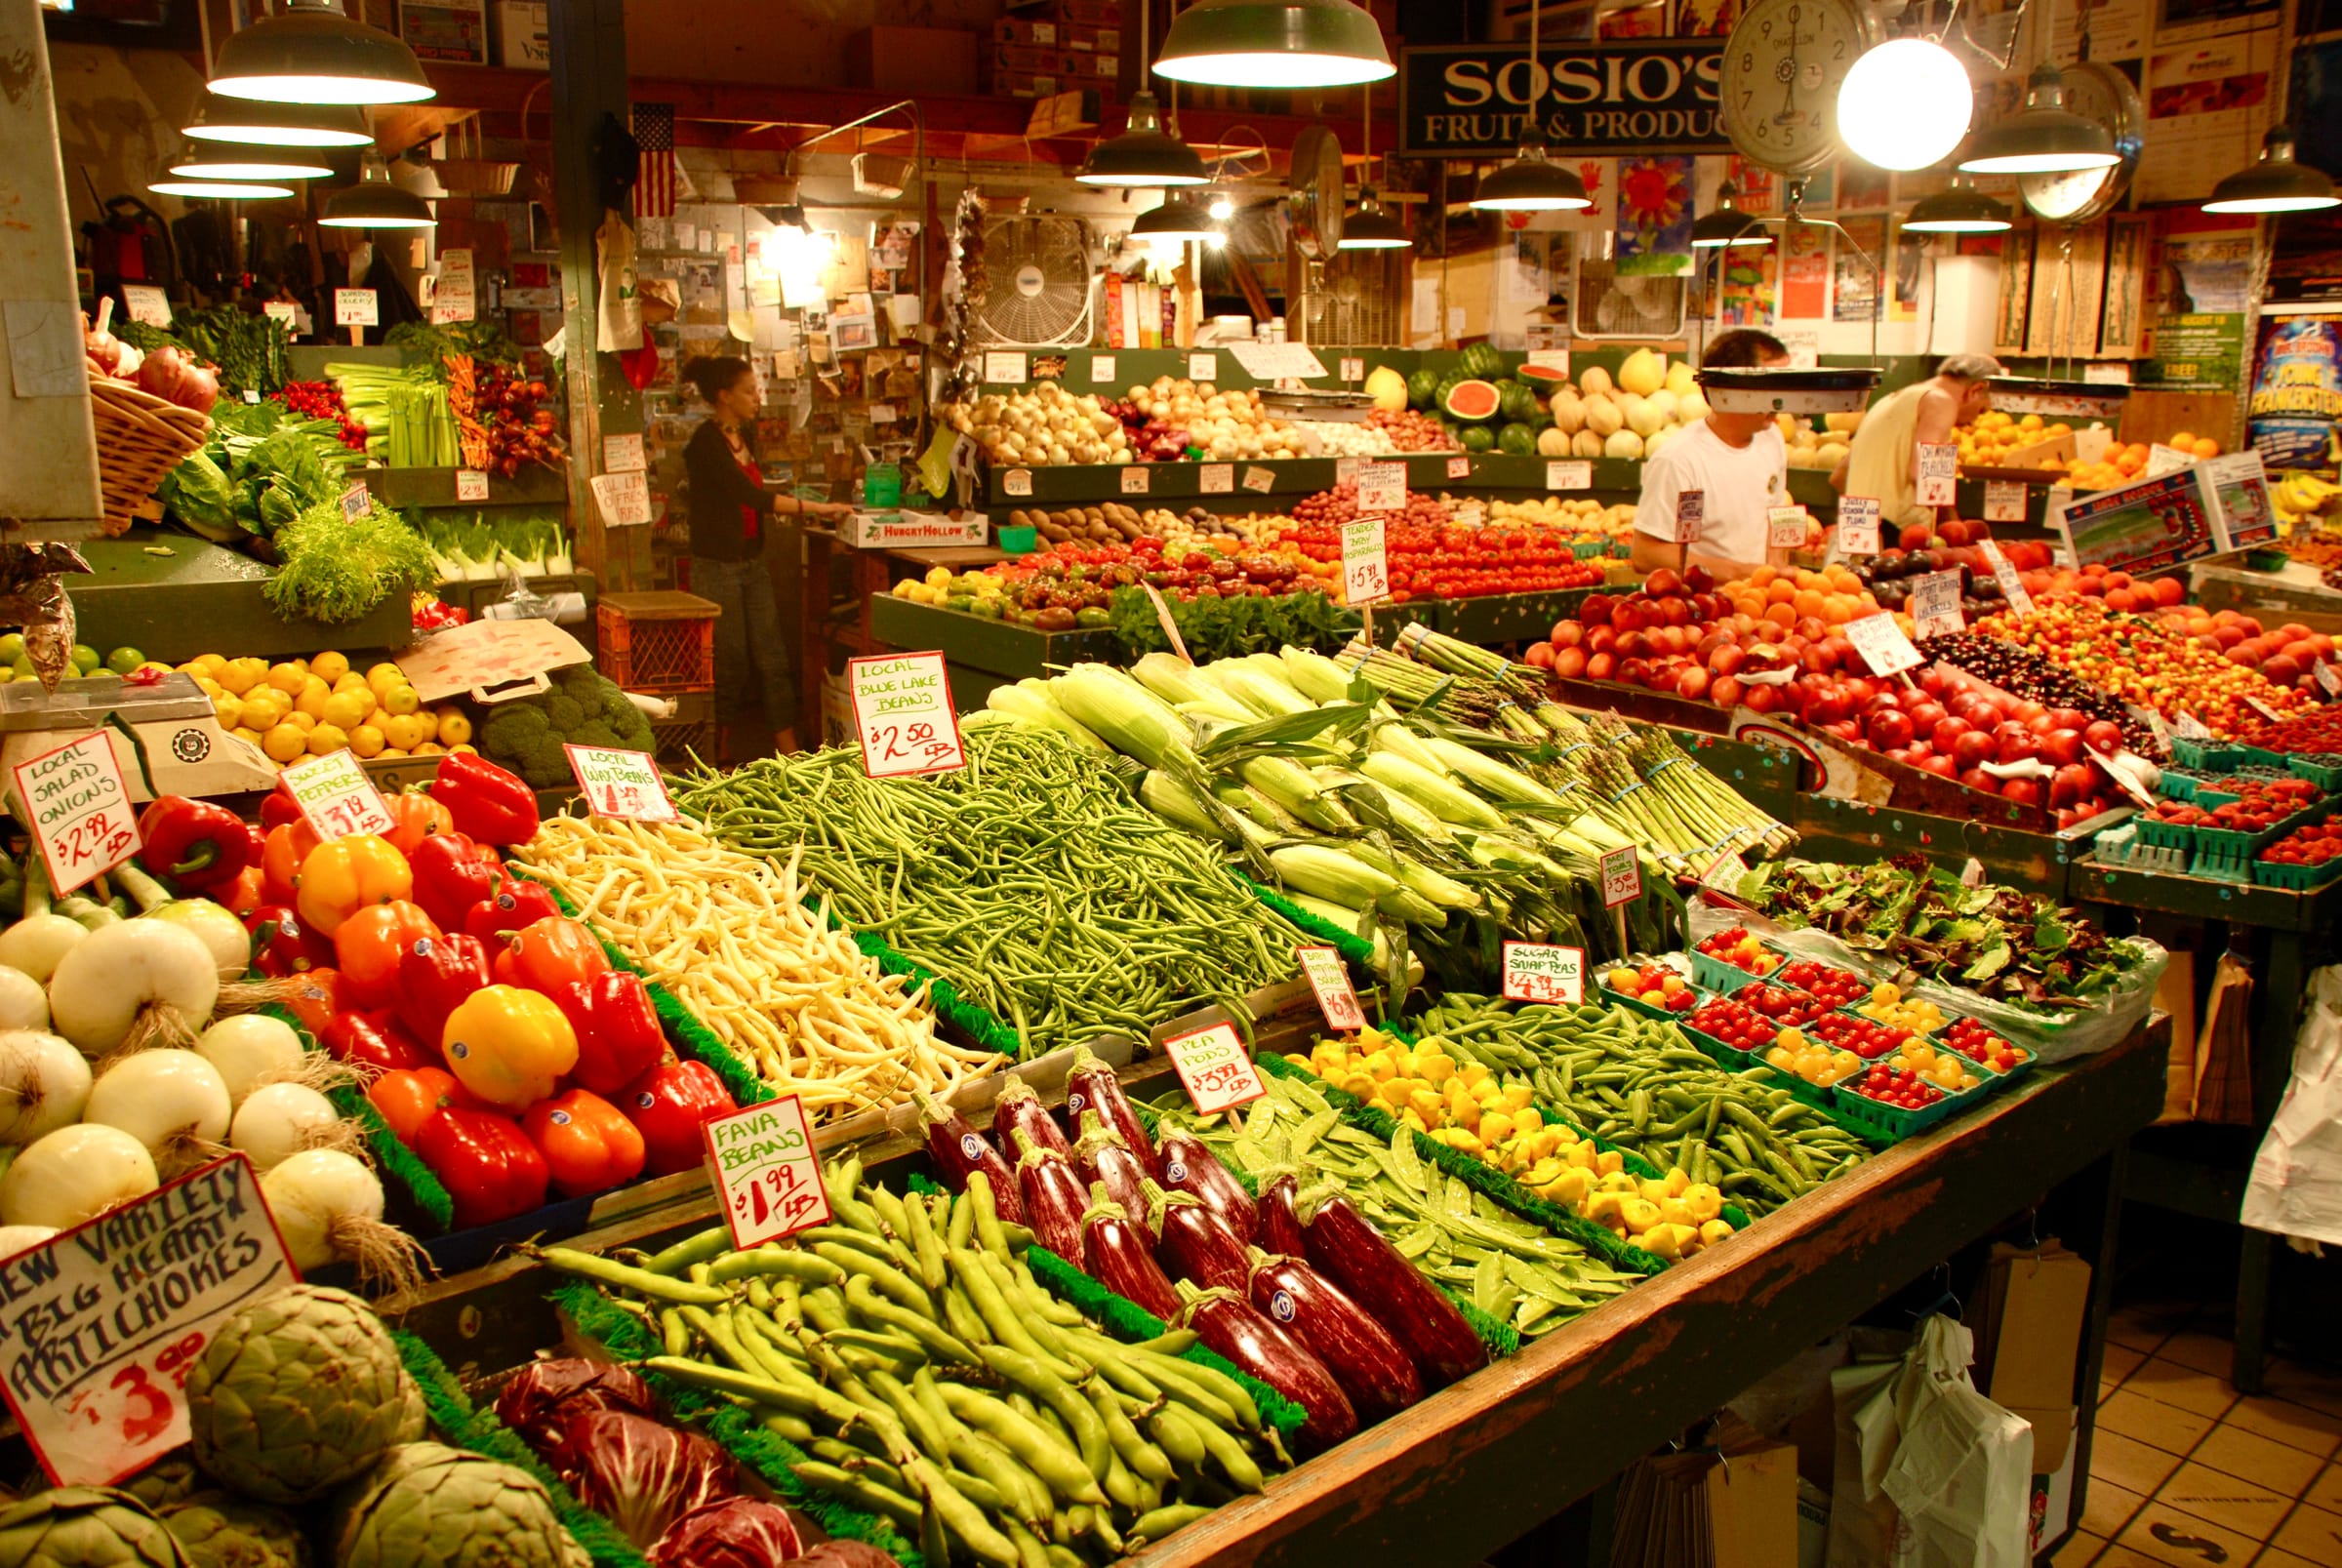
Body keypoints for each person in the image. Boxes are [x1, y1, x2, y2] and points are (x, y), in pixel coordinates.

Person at [681, 355, 851, 760]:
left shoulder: (746, 438)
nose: (757, 398)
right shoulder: (704, 444)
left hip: (751, 565)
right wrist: (819, 509)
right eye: (748, 390)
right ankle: (714, 755)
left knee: (774, 657)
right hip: (717, 568)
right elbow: (750, 497)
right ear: (724, 396)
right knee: (732, 663)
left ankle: (790, 754)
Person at [1631, 329, 1793, 578]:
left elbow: (1775, 512)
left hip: (1756, 603)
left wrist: (1775, 567)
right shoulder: (1678, 460)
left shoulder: (1772, 439)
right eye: (1771, 386)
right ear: (1729, 389)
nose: (1782, 399)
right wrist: (1744, 573)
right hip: (1701, 608)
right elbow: (1646, 555)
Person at [1832, 354, 2001, 533]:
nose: (1974, 421)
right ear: (1976, 390)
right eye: (1982, 410)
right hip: (1900, 533)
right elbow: (1924, 474)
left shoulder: (1890, 399)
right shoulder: (1941, 401)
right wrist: (1954, 526)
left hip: (1857, 529)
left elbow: (1840, 474)